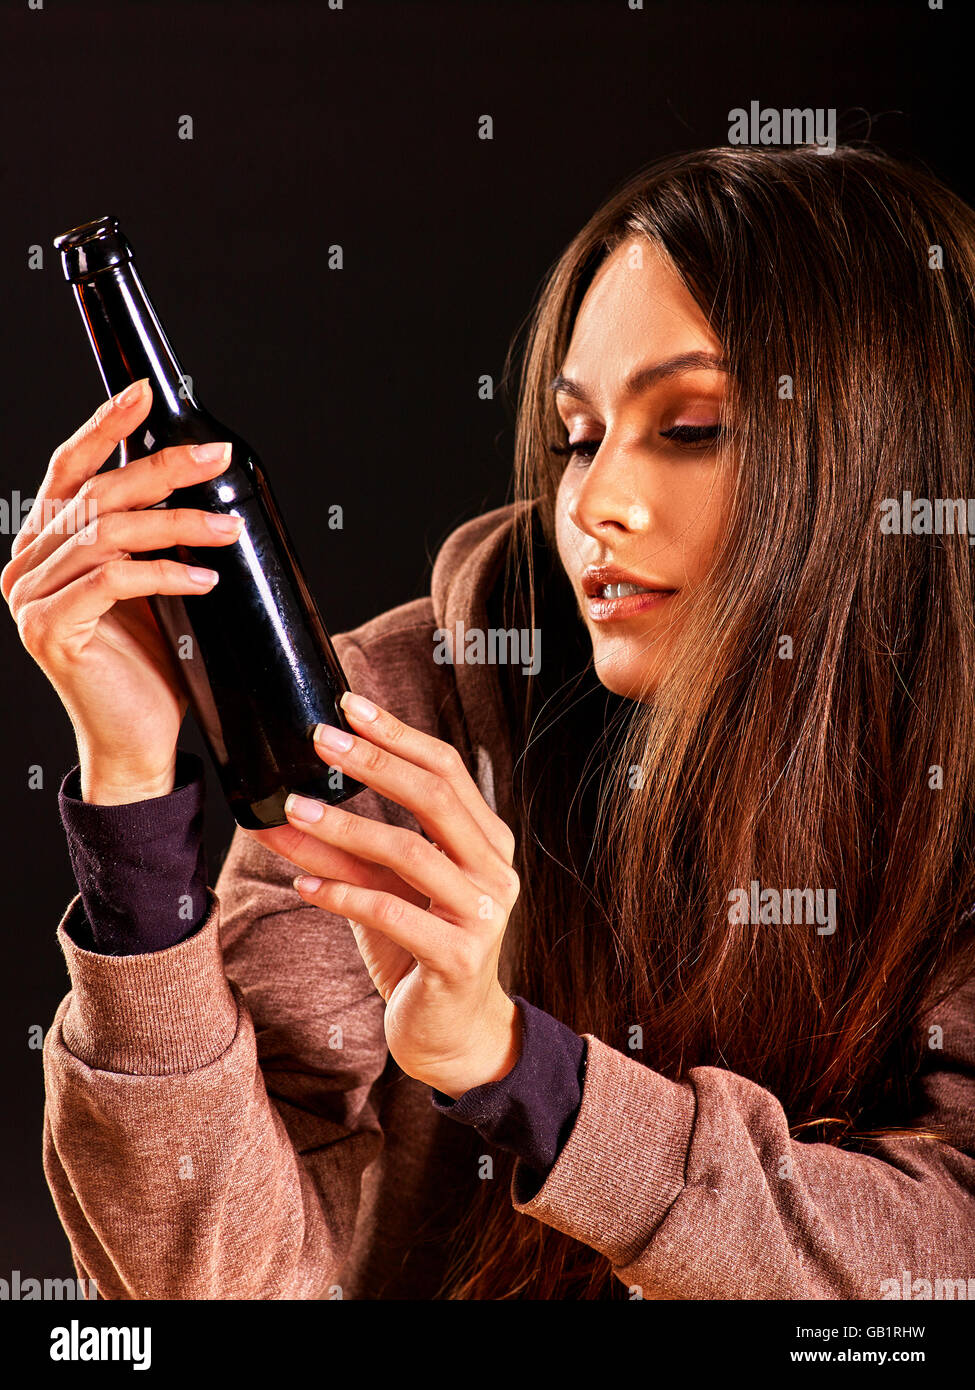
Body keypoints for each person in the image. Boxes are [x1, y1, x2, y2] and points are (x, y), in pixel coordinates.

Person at [5, 142, 975, 1301]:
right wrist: (127, 796)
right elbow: (210, 1289)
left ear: (882, 453)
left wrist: (522, 1069)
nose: (593, 503)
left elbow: (942, 1260)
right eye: (579, 435)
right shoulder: (386, 723)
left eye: (694, 425)